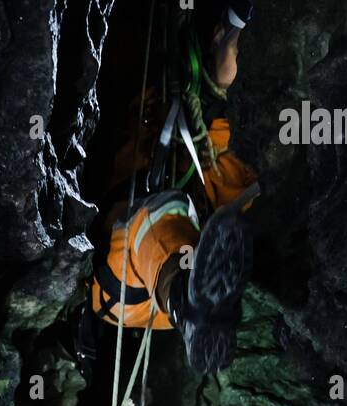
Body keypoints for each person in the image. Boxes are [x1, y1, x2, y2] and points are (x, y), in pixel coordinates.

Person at [86, 2, 258, 372]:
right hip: (170, 257)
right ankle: (191, 297)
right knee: (221, 199)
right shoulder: (226, 188)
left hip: (126, 296)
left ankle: (186, 298)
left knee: (151, 223)